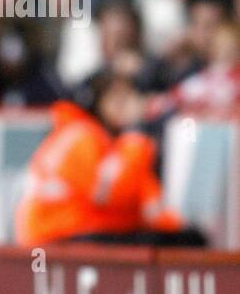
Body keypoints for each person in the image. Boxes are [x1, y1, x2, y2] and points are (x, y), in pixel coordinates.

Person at [16, 74, 200, 248]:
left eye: (129, 97)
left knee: (188, 238)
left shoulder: (104, 142)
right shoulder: (84, 136)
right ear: (97, 102)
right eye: (117, 99)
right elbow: (109, 194)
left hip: (76, 228)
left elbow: (147, 204)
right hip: (60, 234)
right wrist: (135, 138)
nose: (126, 105)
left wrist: (175, 225)